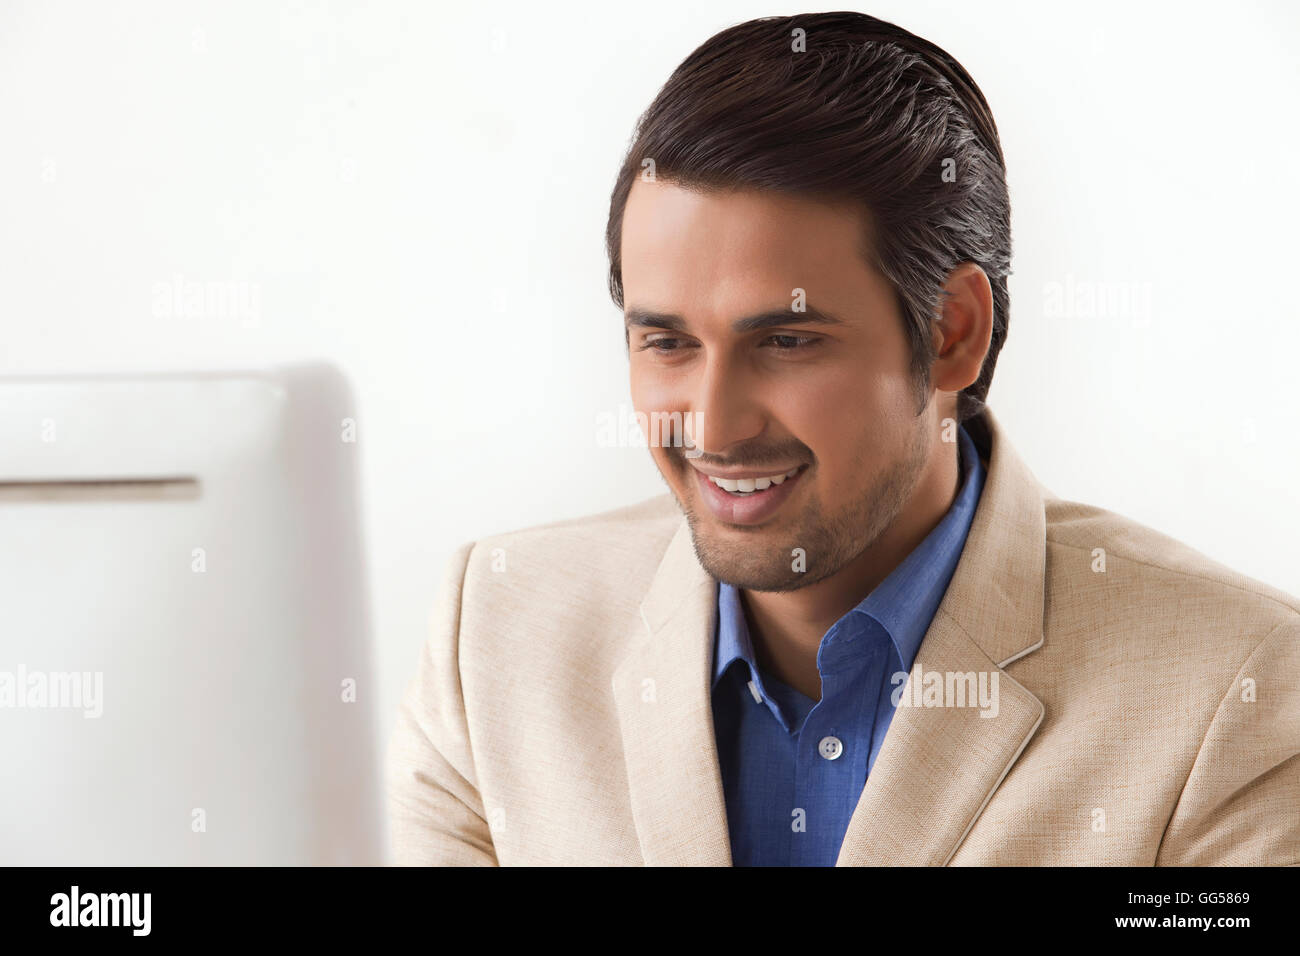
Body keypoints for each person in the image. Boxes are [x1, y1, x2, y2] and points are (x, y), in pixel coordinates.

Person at [386, 11, 1299, 865]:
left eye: (784, 341)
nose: (713, 425)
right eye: (666, 341)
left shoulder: (1235, 691)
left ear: (952, 336)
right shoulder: (496, 640)